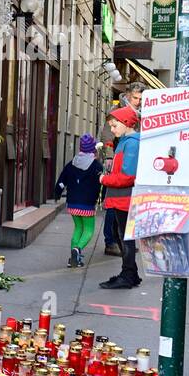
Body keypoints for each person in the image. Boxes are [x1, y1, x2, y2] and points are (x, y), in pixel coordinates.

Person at [99, 106, 140, 290]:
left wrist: (104, 179)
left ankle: (128, 274)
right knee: (121, 235)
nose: (112, 130)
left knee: (125, 237)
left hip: (125, 198)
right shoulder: (125, 141)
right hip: (120, 198)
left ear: (126, 123)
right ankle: (130, 273)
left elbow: (128, 176)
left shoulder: (131, 143)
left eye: (115, 125)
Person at [56, 133, 103, 269]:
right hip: (87, 204)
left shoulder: (72, 163)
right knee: (88, 230)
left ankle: (73, 259)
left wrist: (57, 193)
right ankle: (78, 250)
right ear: (93, 149)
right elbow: (101, 183)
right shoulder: (96, 166)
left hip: (72, 203)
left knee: (78, 228)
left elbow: (61, 180)